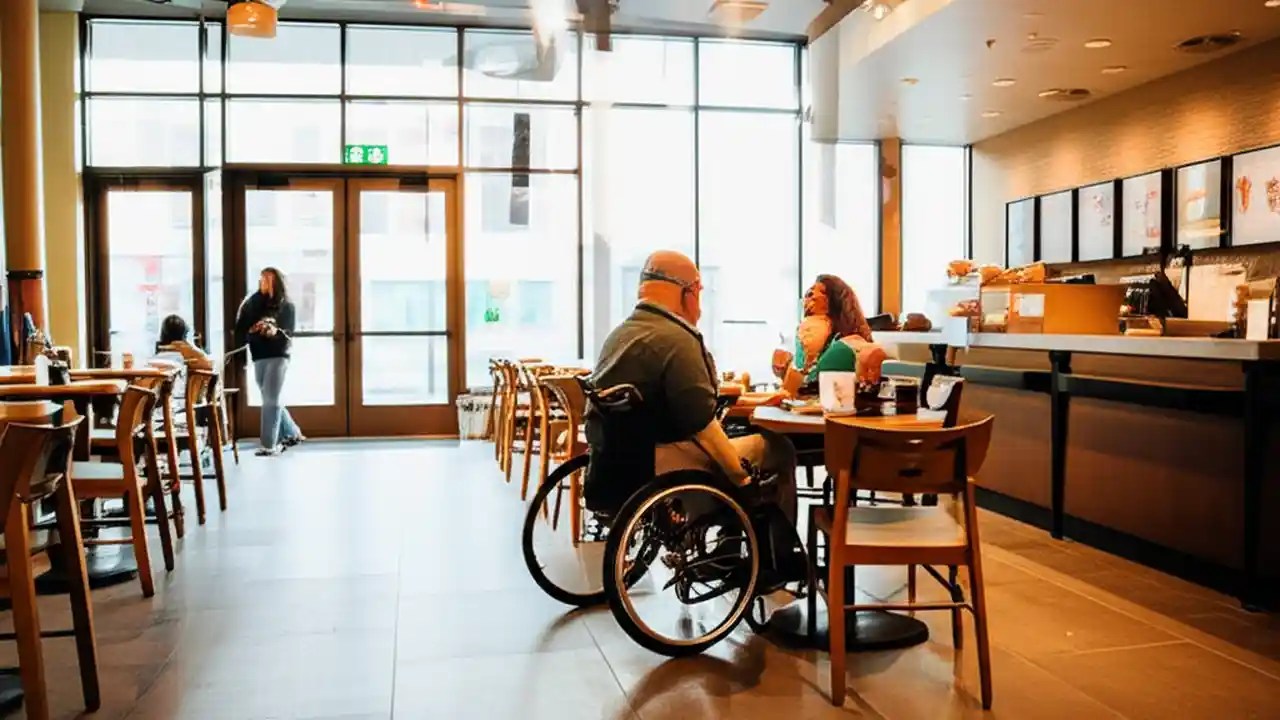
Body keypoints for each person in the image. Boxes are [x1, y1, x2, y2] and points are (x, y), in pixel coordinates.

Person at [587, 250, 797, 524]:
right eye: (699, 291)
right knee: (778, 448)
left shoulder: (621, 335)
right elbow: (704, 426)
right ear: (687, 293)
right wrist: (742, 480)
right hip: (662, 467)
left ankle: (729, 544)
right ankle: (780, 553)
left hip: (616, 465)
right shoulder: (678, 339)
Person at [771, 274, 888, 396]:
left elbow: (863, 346)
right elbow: (790, 392)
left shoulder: (844, 343)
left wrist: (871, 351)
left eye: (820, 292)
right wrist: (784, 369)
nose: (810, 296)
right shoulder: (804, 350)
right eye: (808, 293)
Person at [235, 267, 304, 456]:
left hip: (279, 354)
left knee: (271, 400)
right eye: (262, 279)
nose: (264, 282)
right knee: (269, 397)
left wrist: (273, 331)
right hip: (258, 355)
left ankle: (268, 445)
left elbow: (288, 333)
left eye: (269, 279)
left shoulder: (286, 306)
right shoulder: (253, 303)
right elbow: (241, 327)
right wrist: (253, 329)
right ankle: (293, 432)